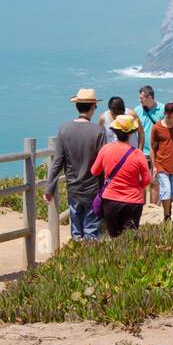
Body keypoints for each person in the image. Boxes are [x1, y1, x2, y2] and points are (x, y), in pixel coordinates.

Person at [46, 88, 107, 241]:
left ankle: (76, 252)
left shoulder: (64, 129)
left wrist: (49, 188)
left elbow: (57, 162)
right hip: (93, 189)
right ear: (92, 107)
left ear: (77, 106)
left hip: (73, 188)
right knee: (91, 232)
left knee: (76, 232)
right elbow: (104, 163)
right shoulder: (98, 131)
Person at [90, 114, 151, 237]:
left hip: (111, 200)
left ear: (114, 131)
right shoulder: (138, 154)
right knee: (130, 238)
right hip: (133, 200)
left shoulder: (105, 149)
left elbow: (94, 171)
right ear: (132, 133)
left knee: (114, 237)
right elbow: (147, 179)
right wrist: (137, 187)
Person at [150, 103, 173, 219]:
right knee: (166, 191)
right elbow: (152, 148)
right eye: (168, 117)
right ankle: (167, 216)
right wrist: (154, 166)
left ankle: (168, 208)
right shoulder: (156, 128)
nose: (171, 120)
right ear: (164, 114)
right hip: (161, 164)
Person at [132, 85, 166, 158]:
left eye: (141, 98)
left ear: (150, 98)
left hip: (159, 150)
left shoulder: (163, 109)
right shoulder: (136, 110)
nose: (139, 100)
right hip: (142, 151)